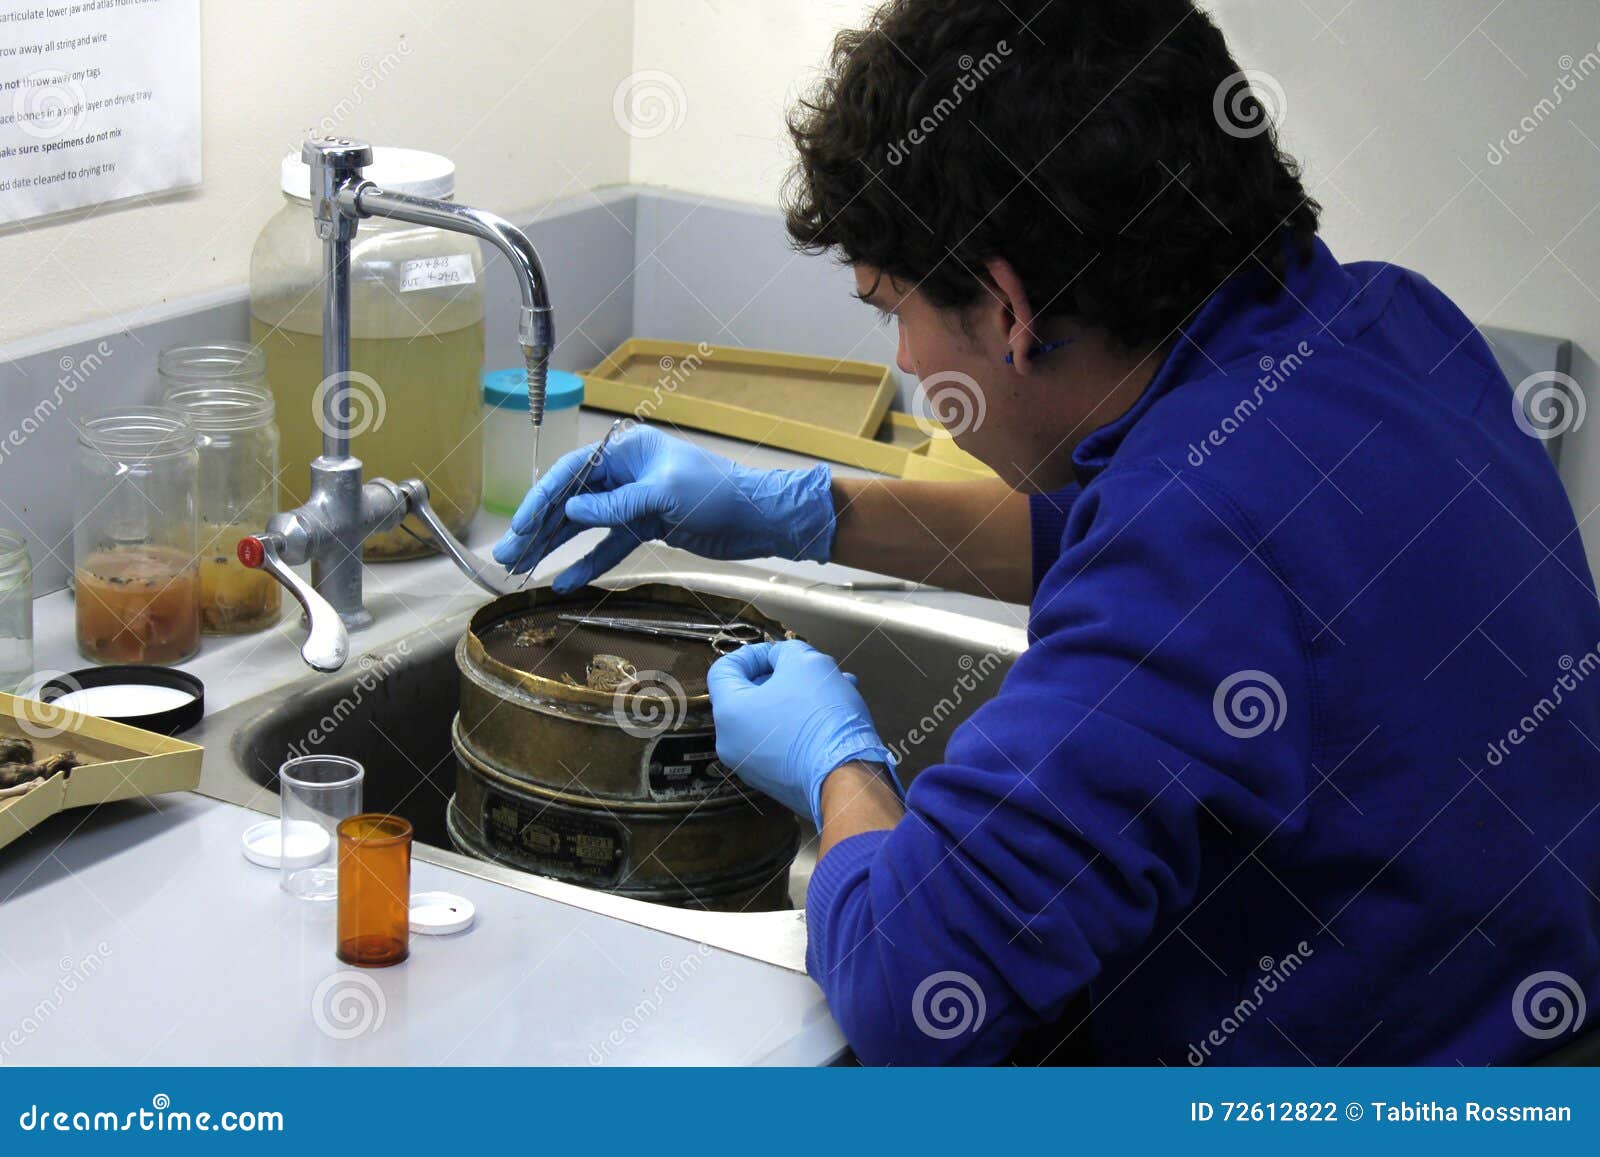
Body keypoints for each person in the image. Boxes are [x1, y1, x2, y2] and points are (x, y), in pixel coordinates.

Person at [494, 0, 1600, 1065]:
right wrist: (803, 511)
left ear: (1009, 308)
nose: (906, 363)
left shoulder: (1197, 553)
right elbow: (1121, 531)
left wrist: (841, 767)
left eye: (894, 308)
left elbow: (909, 991)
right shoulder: (1383, 324)